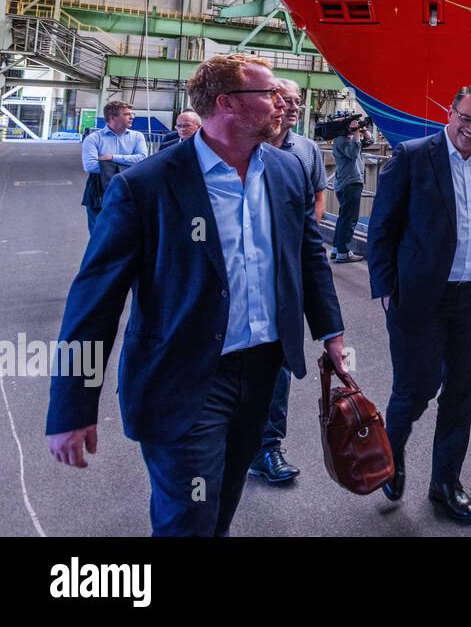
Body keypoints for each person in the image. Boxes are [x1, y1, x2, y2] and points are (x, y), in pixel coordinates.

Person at [46, 53, 347, 537]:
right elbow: (93, 302)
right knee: (188, 519)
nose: (283, 105)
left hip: (262, 372)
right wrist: (71, 408)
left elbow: (307, 254)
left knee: (222, 505)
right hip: (184, 380)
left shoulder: (287, 171)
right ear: (227, 103)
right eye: (269, 95)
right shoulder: (146, 187)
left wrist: (330, 329)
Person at [367, 84, 471, 524]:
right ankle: (391, 456)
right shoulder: (414, 156)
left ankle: (445, 485)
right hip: (420, 297)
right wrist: (386, 288)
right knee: (414, 390)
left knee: (461, 394)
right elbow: (383, 227)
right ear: (450, 113)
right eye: (465, 119)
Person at [248, 78, 326, 484]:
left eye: (297, 101)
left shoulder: (304, 152)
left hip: (285, 278)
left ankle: (268, 447)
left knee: (277, 365)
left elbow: (315, 198)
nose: (291, 107)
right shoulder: (235, 153)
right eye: (284, 100)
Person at [80, 100, 148, 234]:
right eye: (127, 114)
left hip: (130, 187)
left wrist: (112, 157)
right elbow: (90, 166)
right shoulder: (93, 139)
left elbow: (142, 159)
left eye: (132, 114)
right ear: (112, 117)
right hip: (99, 188)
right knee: (98, 233)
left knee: (127, 233)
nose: (132, 117)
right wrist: (128, 164)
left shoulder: (137, 137)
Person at [330, 118, 366, 262]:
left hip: (347, 182)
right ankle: (344, 252)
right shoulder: (342, 141)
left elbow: (360, 146)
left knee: (343, 217)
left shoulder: (345, 140)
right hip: (349, 182)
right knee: (350, 219)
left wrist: (364, 134)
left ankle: (336, 248)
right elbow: (353, 152)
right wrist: (356, 133)